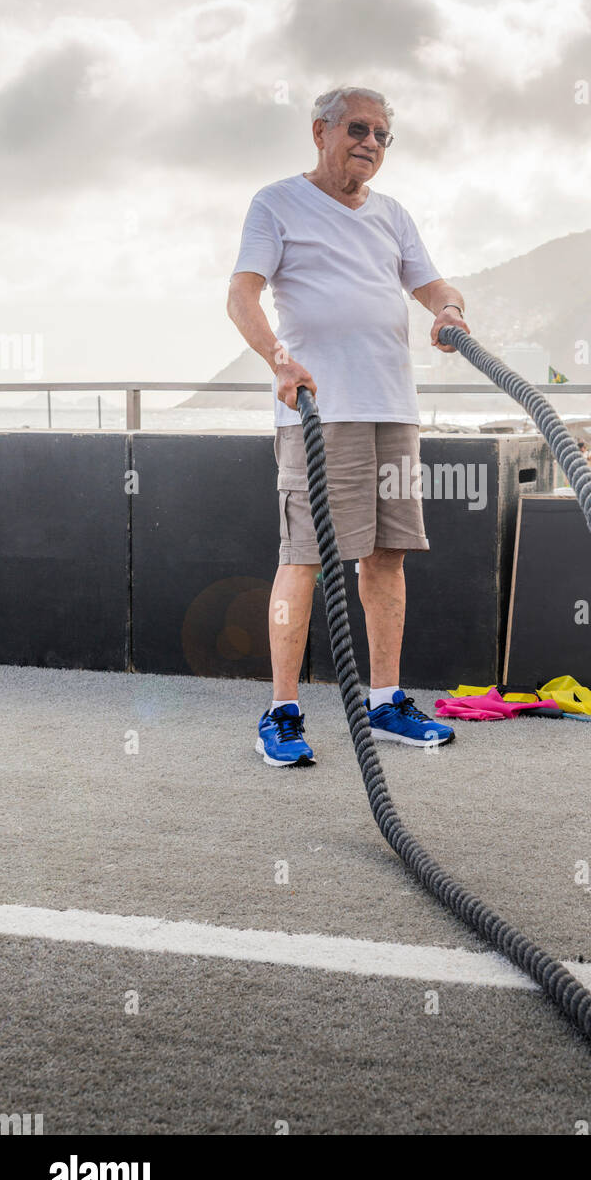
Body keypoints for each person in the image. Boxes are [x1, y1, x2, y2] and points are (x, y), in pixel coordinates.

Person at [227, 87, 468, 766]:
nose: (371, 142)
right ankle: (280, 711)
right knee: (303, 556)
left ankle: (385, 701)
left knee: (386, 555)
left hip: (392, 408)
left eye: (383, 134)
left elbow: (429, 284)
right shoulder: (276, 202)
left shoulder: (392, 214)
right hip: (318, 409)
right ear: (320, 132)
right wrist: (278, 358)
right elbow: (241, 291)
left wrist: (448, 307)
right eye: (358, 128)